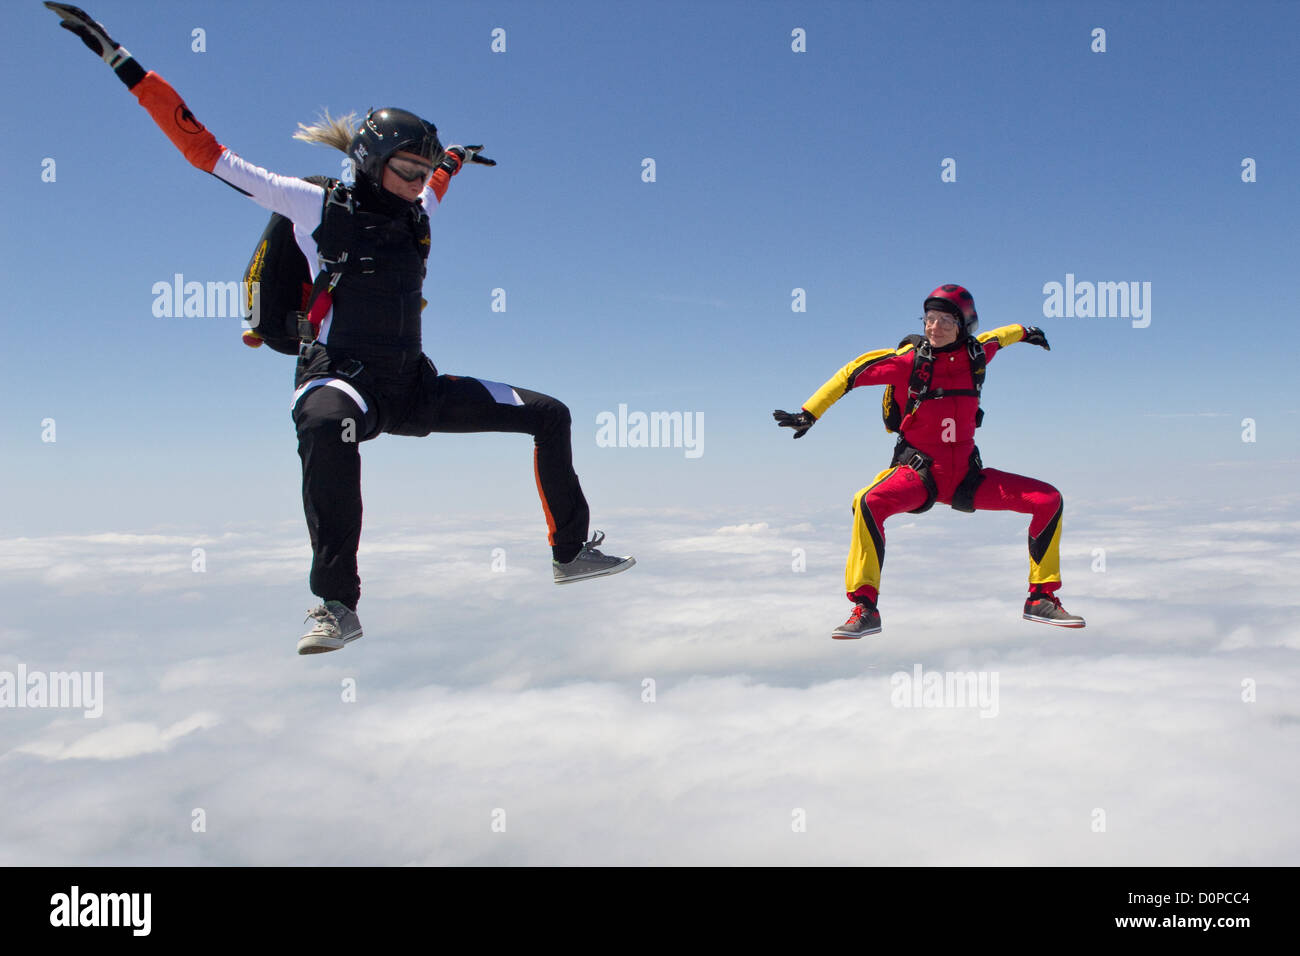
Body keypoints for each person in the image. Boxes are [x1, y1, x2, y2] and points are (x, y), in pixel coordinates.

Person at [48, 3, 635, 655]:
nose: (417, 185)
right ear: (372, 160)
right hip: (344, 381)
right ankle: (336, 605)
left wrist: (455, 159)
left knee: (549, 414)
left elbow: (438, 182)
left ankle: (570, 553)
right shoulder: (315, 205)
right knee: (327, 425)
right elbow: (205, 152)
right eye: (408, 171)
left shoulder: (416, 210)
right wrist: (123, 63)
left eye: (423, 174)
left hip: (413, 387)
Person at [774, 284, 1085, 638]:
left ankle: (1040, 598)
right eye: (929, 319)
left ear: (963, 326)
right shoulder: (910, 362)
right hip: (919, 474)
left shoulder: (976, 354)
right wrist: (809, 413)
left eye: (945, 321)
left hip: (967, 477)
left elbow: (1000, 337)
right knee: (867, 502)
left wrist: (1026, 332)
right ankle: (865, 608)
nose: (934, 327)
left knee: (1048, 500)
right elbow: (851, 373)